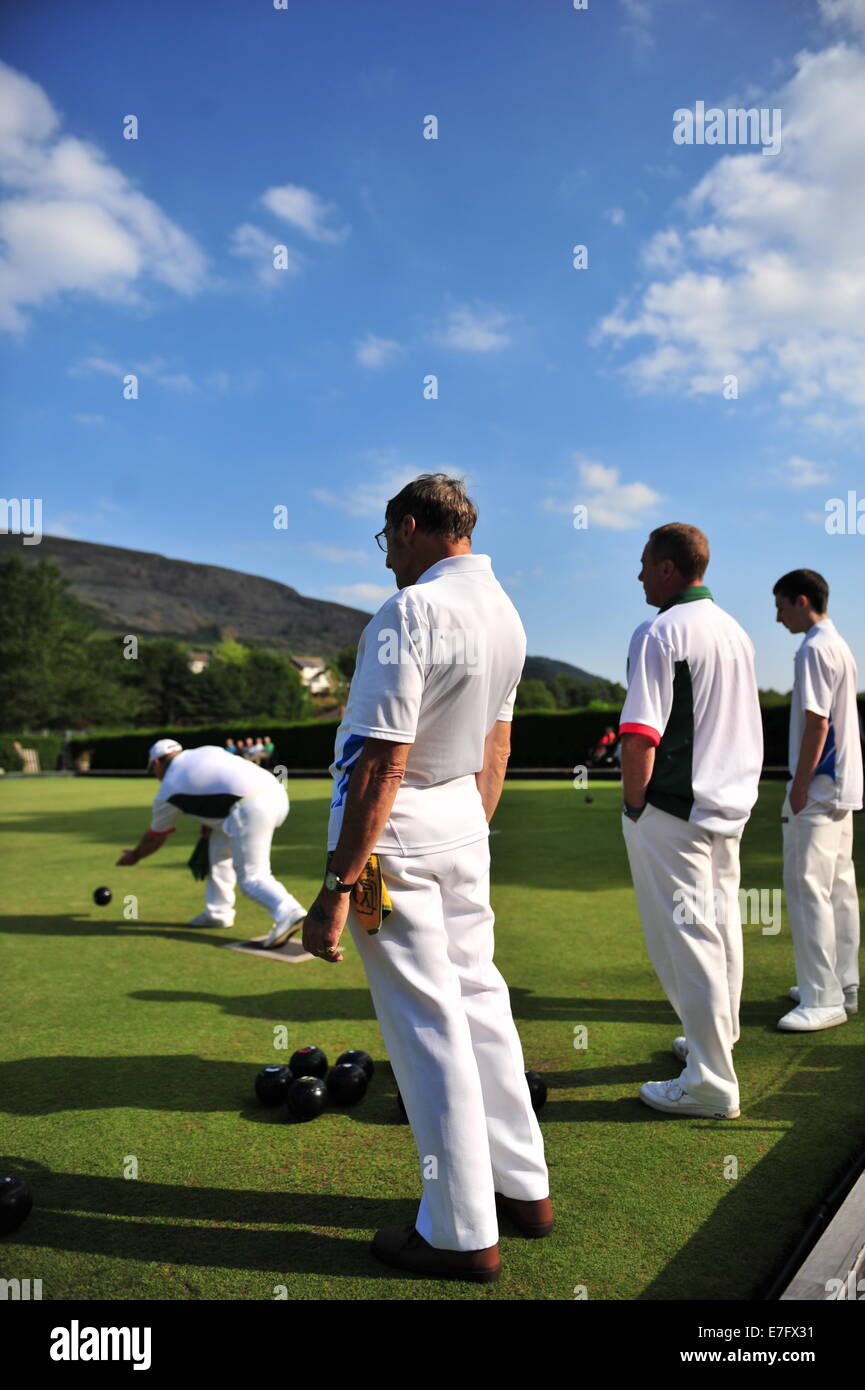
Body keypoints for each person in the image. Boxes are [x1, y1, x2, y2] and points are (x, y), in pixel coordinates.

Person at [300, 474, 550, 1283]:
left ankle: (459, 1233)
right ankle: (523, 1189)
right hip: (461, 826)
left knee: (428, 1028)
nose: (385, 562)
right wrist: (469, 833)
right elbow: (497, 749)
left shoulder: (409, 612)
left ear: (409, 527)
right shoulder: (505, 613)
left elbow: (382, 760)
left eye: (386, 543)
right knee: (479, 1003)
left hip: (394, 841)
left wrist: (337, 888)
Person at [619, 523, 762, 1119]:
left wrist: (634, 804)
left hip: (675, 806)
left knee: (688, 936)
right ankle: (715, 1041)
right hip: (728, 805)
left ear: (670, 569)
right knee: (721, 928)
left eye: (646, 564)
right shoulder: (737, 631)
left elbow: (638, 735)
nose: (640, 575)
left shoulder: (661, 631)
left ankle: (709, 1079)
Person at [773, 569, 862, 1031]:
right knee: (838, 888)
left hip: (821, 785)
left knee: (809, 889)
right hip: (843, 786)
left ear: (801, 601)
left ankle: (821, 996)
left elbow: (817, 723)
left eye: (781, 606)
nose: (777, 616)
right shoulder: (840, 644)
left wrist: (800, 784)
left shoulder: (812, 648)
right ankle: (842, 986)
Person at [116, 739, 307, 947]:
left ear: (158, 763)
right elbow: (220, 782)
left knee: (252, 877)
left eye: (153, 769)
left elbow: (156, 836)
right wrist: (210, 820)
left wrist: (134, 855)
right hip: (277, 793)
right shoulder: (206, 750)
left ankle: (288, 910)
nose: (155, 775)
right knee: (218, 848)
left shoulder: (167, 789)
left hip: (249, 806)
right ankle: (218, 912)